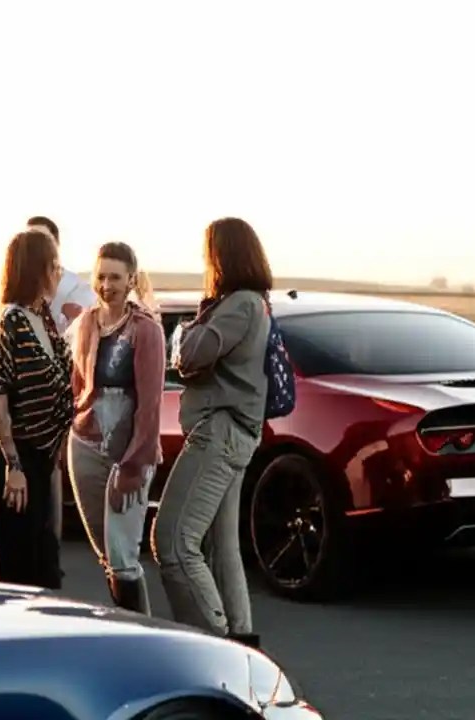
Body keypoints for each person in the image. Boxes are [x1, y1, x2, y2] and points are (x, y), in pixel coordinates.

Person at [152, 217, 271, 647]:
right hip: (234, 430)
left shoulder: (239, 304)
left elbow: (191, 355)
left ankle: (209, 642)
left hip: (219, 432)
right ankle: (241, 642)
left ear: (222, 255)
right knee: (223, 548)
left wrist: (183, 331)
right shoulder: (253, 303)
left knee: (173, 541)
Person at [67, 242, 165, 613]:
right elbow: (77, 385)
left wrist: (134, 464)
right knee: (105, 553)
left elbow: (150, 404)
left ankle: (144, 636)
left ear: (130, 281)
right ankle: (122, 628)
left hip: (128, 450)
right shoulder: (87, 323)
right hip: (86, 442)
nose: (107, 285)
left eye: (115, 277)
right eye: (101, 276)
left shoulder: (145, 330)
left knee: (123, 555)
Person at [0, 229, 74, 589]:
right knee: (18, 578)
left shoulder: (44, 318)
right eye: (53, 265)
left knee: (45, 568)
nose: (58, 272)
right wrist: (14, 467)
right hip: (13, 460)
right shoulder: (12, 322)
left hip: (41, 458)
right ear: (37, 269)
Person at [26, 215, 96, 549]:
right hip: (27, 391)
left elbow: (84, 335)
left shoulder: (72, 286)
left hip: (60, 387)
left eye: (40, 238)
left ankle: (49, 542)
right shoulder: (18, 289)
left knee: (51, 466)